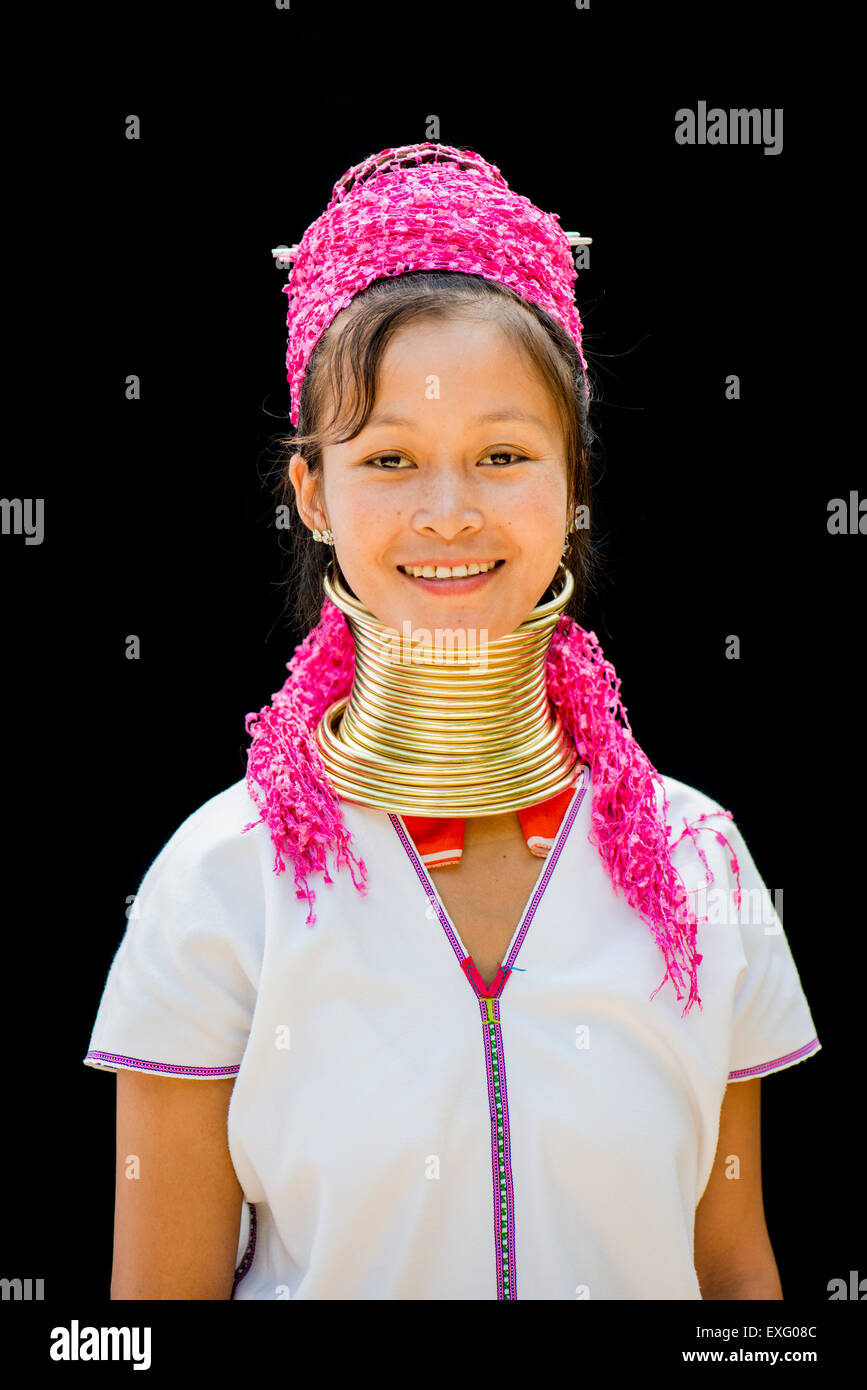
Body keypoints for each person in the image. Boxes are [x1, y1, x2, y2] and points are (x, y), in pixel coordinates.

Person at [83, 142, 821, 1301]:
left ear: (573, 485)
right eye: (389, 458)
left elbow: (733, 1274)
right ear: (313, 494)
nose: (448, 512)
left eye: (503, 454)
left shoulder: (701, 867)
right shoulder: (222, 885)